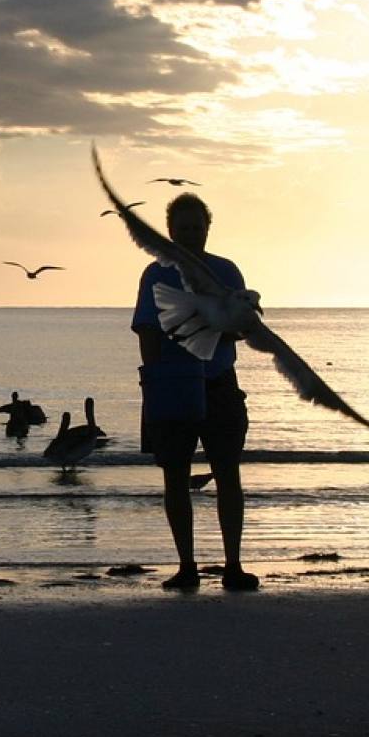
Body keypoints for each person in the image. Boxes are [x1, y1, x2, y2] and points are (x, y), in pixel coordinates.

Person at [132, 194, 254, 591]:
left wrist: (224, 322)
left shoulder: (226, 271)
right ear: (170, 231)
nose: (189, 234)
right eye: (182, 228)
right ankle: (187, 566)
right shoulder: (154, 275)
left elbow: (242, 328)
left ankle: (232, 566)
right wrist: (151, 384)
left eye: (196, 227)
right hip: (172, 387)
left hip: (219, 384)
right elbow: (147, 331)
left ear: (207, 228)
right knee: (175, 478)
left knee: (227, 475)